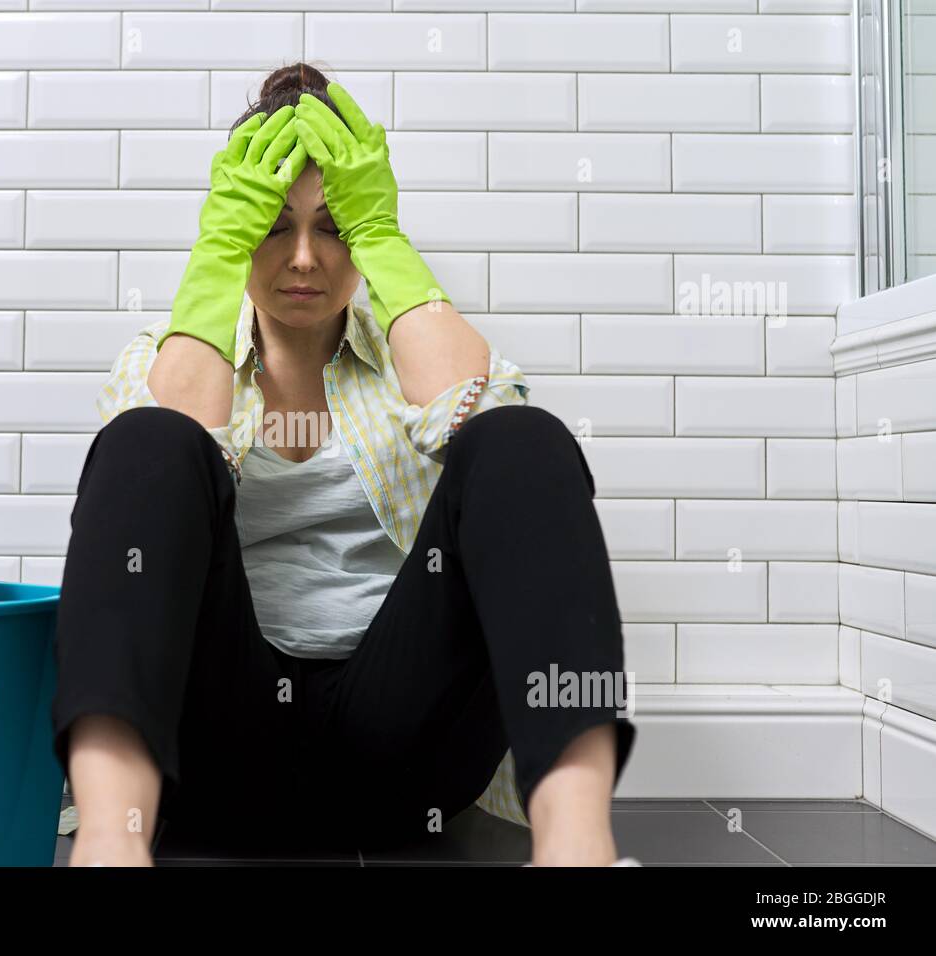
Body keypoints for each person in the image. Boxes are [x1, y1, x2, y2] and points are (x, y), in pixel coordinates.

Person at [52, 63, 637, 867]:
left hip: (405, 742)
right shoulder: (169, 359)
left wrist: (386, 242)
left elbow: (488, 423)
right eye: (269, 226)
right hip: (222, 747)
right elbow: (158, 462)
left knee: (521, 435)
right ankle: (109, 852)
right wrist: (219, 252)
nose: (301, 259)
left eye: (333, 227)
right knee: (146, 441)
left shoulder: (414, 358)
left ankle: (577, 852)